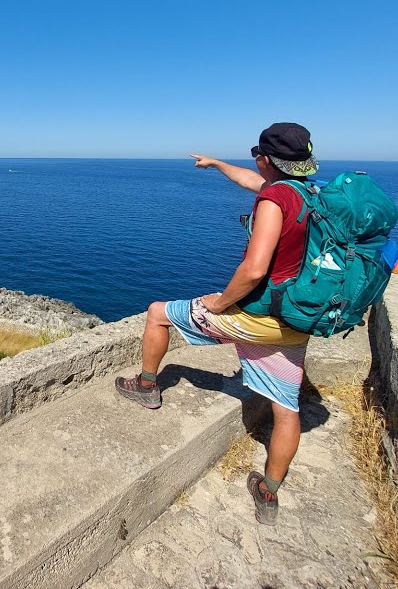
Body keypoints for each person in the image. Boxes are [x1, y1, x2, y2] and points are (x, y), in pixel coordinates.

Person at [114, 121, 320, 526]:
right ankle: (269, 493)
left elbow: (254, 268)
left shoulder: (274, 201)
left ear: (265, 158)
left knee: (158, 313)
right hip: (296, 318)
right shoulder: (310, 193)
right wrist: (217, 164)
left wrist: (221, 304)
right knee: (286, 408)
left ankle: (146, 386)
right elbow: (253, 181)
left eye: (255, 156)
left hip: (254, 316)